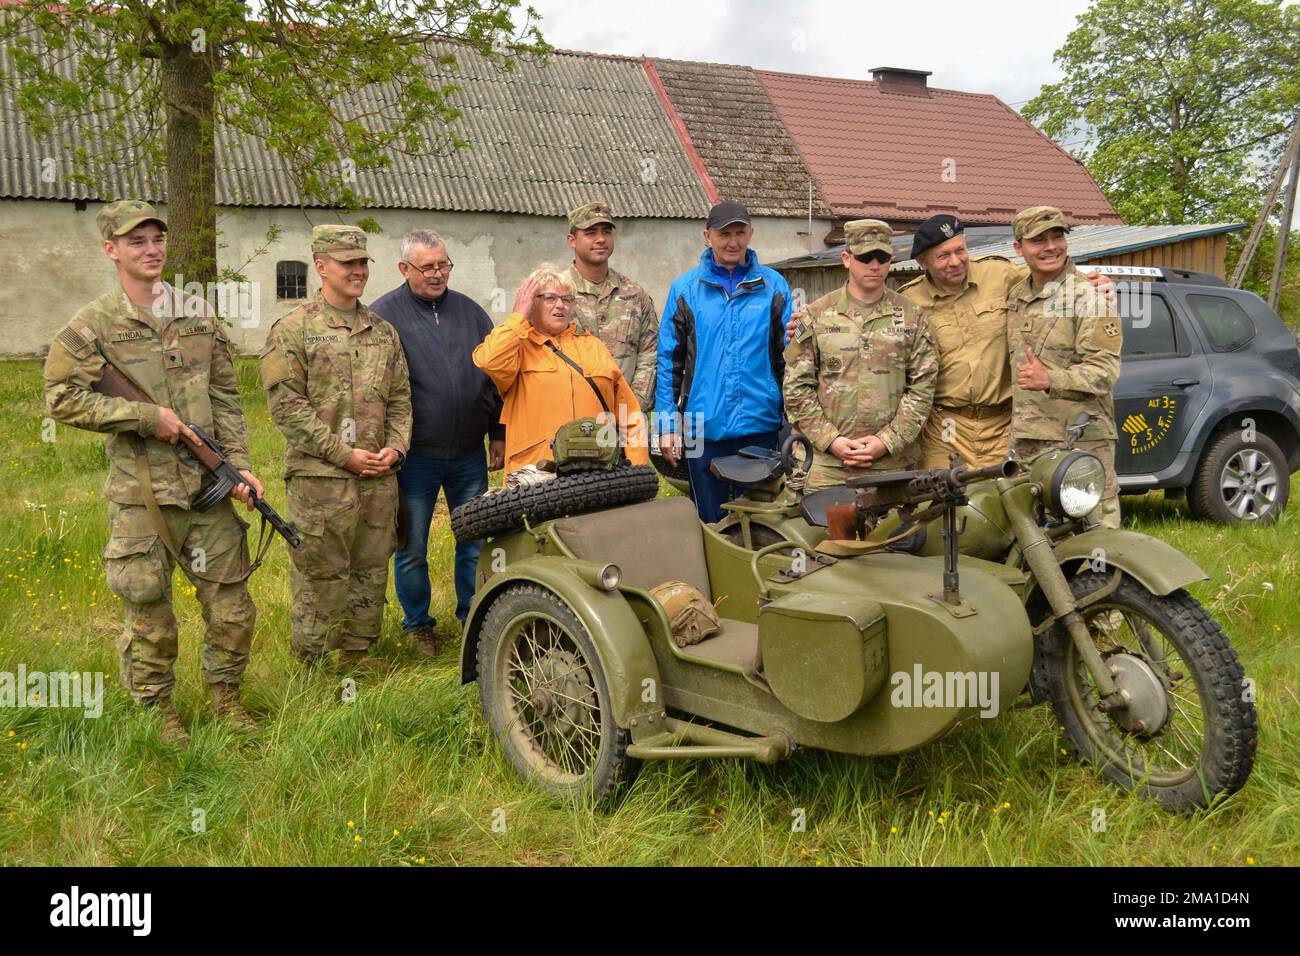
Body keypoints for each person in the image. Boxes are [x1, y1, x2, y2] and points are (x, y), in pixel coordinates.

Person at [43, 200, 263, 748]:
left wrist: (240, 465)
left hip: (208, 495)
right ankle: (156, 710)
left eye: (156, 239)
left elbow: (226, 396)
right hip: (142, 499)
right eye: (135, 241)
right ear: (111, 250)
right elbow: (60, 398)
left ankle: (226, 699)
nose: (150, 250)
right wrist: (144, 417)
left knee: (233, 608)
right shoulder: (92, 324)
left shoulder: (198, 314)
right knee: (150, 614)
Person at [260, 225, 413, 671]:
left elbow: (401, 399)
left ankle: (358, 654)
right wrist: (342, 455)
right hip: (320, 481)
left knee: (369, 569)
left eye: (363, 262)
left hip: (378, 479)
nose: (358, 271)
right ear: (321, 266)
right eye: (348, 263)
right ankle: (314, 663)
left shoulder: (383, 332)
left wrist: (396, 449)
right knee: (321, 573)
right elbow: (287, 407)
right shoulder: (293, 330)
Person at [370, 230, 503, 654]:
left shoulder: (471, 313)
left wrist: (497, 432)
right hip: (415, 457)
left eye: (444, 264)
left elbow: (495, 376)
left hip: (468, 455)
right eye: (427, 266)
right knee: (412, 546)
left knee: (474, 542)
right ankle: (417, 626)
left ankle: (473, 618)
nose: (438, 273)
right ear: (404, 268)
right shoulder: (383, 317)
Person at [898, 215, 1115, 468]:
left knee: (1007, 498)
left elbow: (1051, 276)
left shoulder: (1000, 274)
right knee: (945, 502)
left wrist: (1095, 283)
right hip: (945, 429)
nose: (956, 261)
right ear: (923, 262)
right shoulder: (908, 303)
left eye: (960, 250)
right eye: (943, 256)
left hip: (1003, 423)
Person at [656, 201, 792, 522]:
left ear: (750, 233)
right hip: (702, 428)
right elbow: (669, 361)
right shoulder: (686, 290)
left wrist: (796, 419)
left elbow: (789, 358)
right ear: (707, 236)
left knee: (761, 518)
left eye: (739, 232)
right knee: (709, 520)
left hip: (760, 425)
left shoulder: (774, 287)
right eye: (724, 234)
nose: (733, 242)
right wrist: (665, 426)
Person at [784, 219, 938, 489]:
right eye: (865, 257)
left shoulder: (912, 317)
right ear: (847, 258)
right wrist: (832, 440)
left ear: (891, 260)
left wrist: (886, 441)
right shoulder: (815, 316)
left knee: (894, 532)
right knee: (825, 532)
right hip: (826, 465)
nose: (874, 266)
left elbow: (922, 390)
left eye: (881, 257)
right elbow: (797, 389)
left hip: (893, 464)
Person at [1006, 206, 1122, 528]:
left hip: (1081, 440)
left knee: (1097, 543)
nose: (1051, 247)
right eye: (1038, 240)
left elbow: (1105, 372)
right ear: (1019, 248)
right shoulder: (1017, 297)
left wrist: (1050, 379)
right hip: (1029, 443)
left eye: (1057, 237)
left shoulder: (1089, 296)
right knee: (1038, 546)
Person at [473, 265, 649, 474]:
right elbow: (489, 361)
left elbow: (629, 414)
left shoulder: (592, 346)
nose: (560, 305)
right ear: (531, 303)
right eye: (550, 298)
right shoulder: (517, 346)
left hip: (595, 469)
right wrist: (518, 316)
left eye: (567, 300)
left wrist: (638, 469)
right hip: (536, 473)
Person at [564, 201, 660, 413]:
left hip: (628, 420)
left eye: (606, 232)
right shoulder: (557, 294)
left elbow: (650, 356)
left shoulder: (635, 295)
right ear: (572, 240)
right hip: (571, 422)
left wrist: (632, 409)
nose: (600, 239)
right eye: (590, 232)